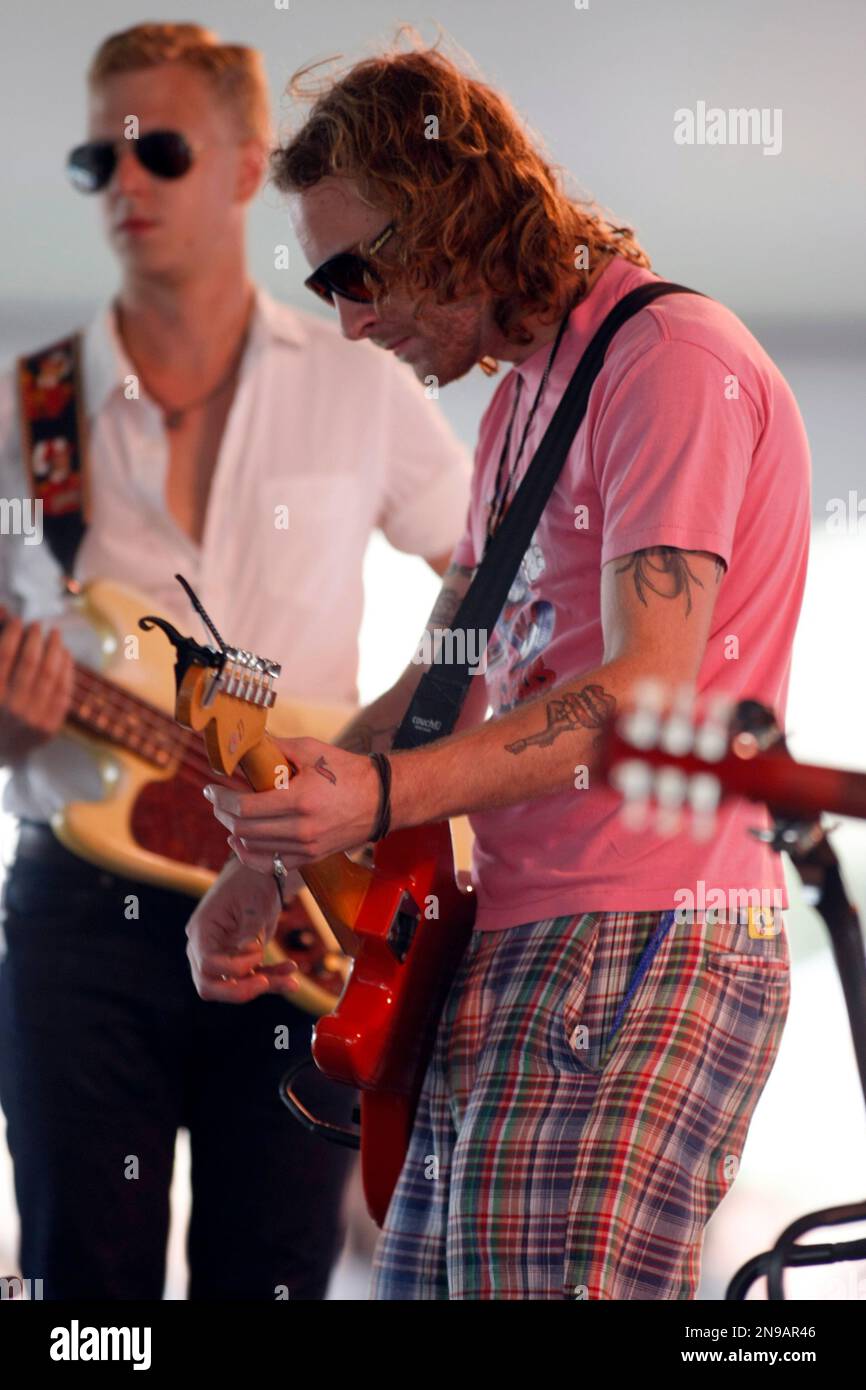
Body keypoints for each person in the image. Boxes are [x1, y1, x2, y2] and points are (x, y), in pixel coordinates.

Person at [187, 41, 812, 1300]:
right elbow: (446, 677)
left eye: (356, 273)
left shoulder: (665, 361)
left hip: (644, 937)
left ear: (458, 212)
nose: (351, 320)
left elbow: (644, 692)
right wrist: (263, 865)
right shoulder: (527, 402)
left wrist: (370, 802)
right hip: (519, 942)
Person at [0, 24, 472, 1301]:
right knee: (79, 1288)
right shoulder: (28, 406)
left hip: (311, 894)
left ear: (247, 162)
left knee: (273, 1267)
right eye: (98, 159)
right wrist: (10, 721)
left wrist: (390, 759)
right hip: (80, 911)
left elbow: (491, 570)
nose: (127, 183)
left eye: (159, 148)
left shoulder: (361, 372)